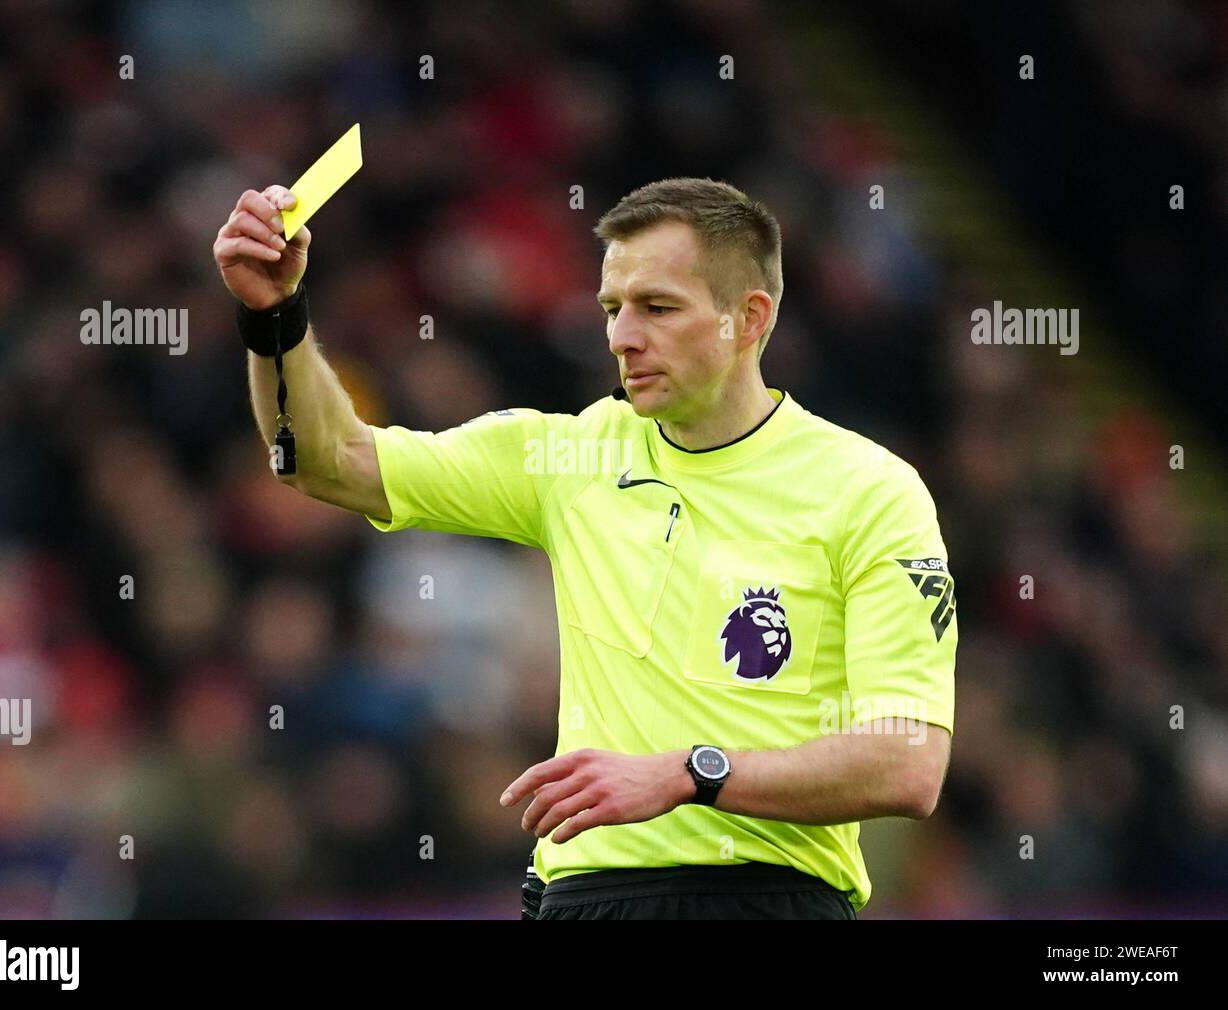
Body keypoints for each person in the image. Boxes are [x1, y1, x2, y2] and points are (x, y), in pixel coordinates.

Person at [213, 176, 957, 920]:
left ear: (748, 318)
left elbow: (909, 764)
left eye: (658, 307)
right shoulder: (570, 458)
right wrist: (274, 315)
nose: (622, 336)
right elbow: (323, 460)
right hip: (586, 899)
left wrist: (692, 775)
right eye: (612, 309)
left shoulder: (868, 490)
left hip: (762, 897)